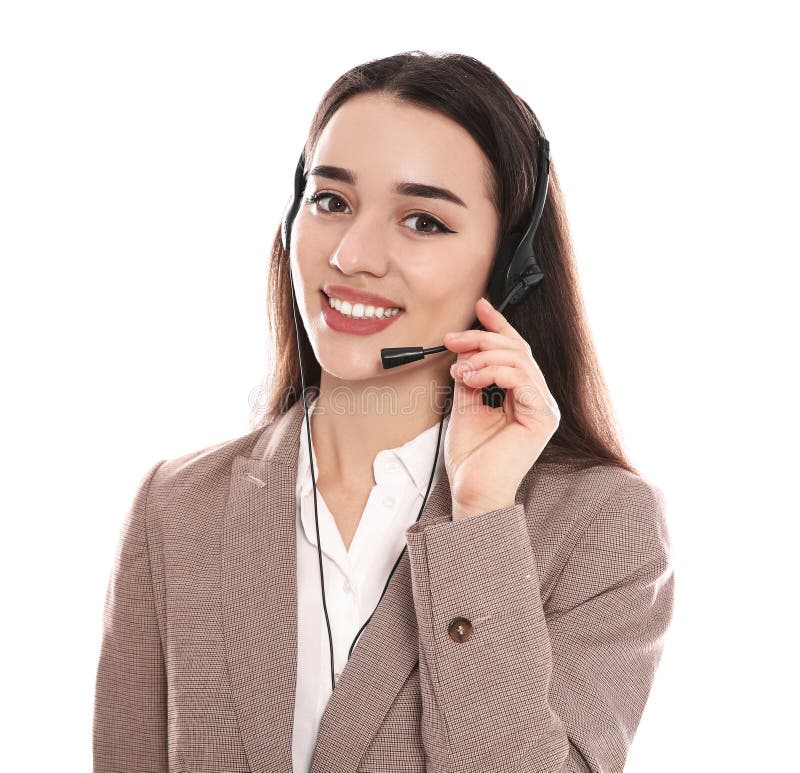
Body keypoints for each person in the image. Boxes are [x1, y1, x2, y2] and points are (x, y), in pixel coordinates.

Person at [93, 51, 674, 773]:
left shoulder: (597, 525)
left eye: (423, 221)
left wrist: (484, 514)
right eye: (331, 201)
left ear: (509, 266)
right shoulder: (175, 507)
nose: (354, 255)